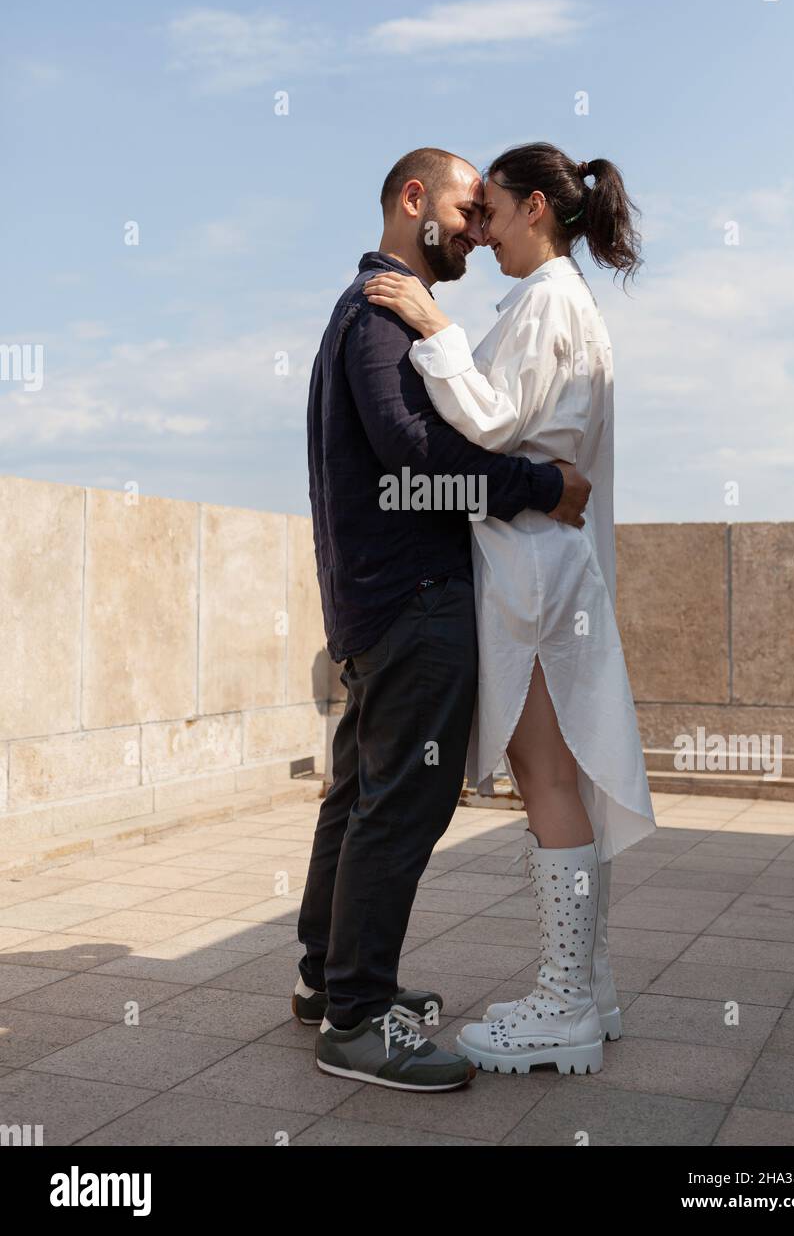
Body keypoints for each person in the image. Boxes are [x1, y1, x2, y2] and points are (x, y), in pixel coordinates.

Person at [297, 147, 592, 1091]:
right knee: (399, 810)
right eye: (466, 209)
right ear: (412, 200)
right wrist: (540, 485)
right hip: (410, 598)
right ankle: (355, 1022)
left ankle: (326, 982)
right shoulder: (384, 311)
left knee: (358, 797)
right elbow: (415, 459)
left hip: (375, 597)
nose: (474, 228)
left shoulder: (372, 307)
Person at [362, 141, 657, 1076]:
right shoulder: (567, 302)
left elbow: (489, 420)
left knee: (548, 784)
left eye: (488, 211)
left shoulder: (545, 301)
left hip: (532, 572)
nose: (477, 232)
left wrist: (430, 322)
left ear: (536, 209)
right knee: (561, 776)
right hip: (551, 565)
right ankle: (592, 990)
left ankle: (564, 1005)